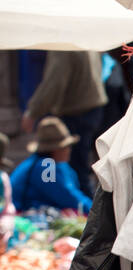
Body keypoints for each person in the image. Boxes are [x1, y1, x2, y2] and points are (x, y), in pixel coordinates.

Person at [20, 50, 107, 195]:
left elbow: (55, 82)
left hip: (77, 112)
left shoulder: (63, 46)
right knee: (79, 169)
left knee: (76, 169)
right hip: (91, 108)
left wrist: (33, 111)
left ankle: (86, 210)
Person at [9, 118, 92, 213]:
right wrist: (95, 212)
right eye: (66, 147)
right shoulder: (45, 167)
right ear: (55, 149)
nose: (69, 150)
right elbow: (68, 197)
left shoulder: (58, 165)